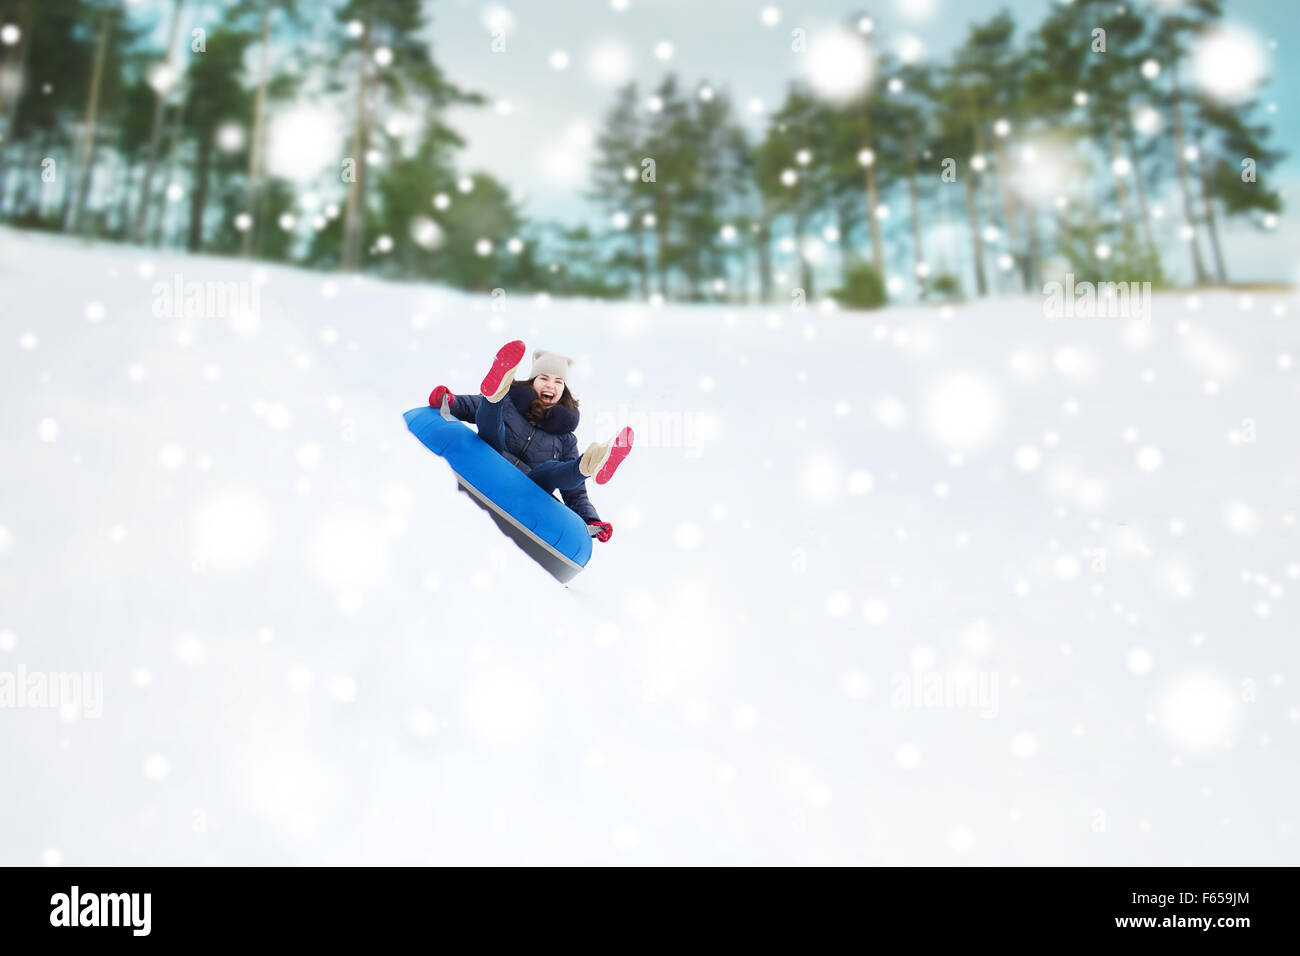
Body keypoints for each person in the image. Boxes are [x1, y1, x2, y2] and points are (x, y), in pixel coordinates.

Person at [428, 341, 632, 543]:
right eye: (544, 378)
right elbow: (471, 406)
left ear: (564, 390)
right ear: (532, 381)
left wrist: (591, 519)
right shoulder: (509, 402)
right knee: (494, 428)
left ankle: (591, 463)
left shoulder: (565, 437)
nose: (550, 385)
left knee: (551, 470)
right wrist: (448, 399)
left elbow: (575, 493)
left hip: (531, 486)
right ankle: (494, 394)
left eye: (558, 381)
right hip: (491, 457)